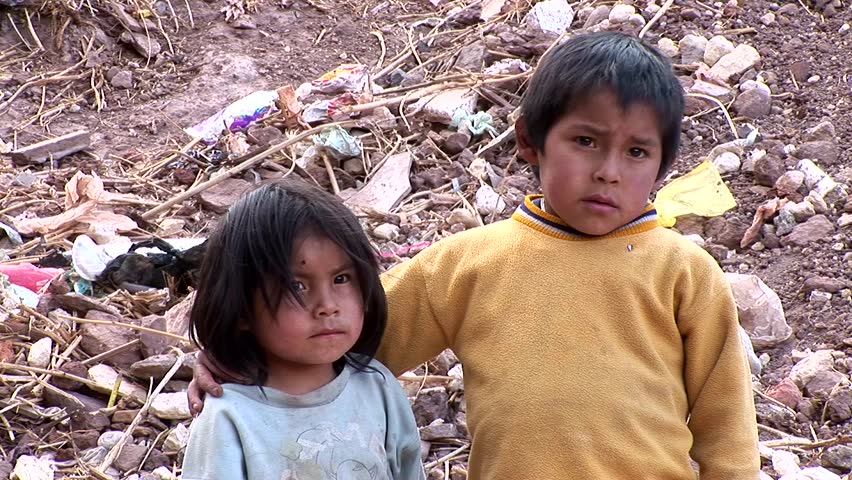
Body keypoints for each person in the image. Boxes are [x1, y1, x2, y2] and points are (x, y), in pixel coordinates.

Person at [190, 31, 760, 479]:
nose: (609, 170)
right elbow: (347, 332)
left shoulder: (683, 272)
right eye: (586, 141)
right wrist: (237, 359)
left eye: (637, 152)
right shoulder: (470, 264)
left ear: (661, 167)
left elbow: (724, 419)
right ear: (529, 142)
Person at [181, 180, 425, 480]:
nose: (327, 306)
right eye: (296, 285)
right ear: (241, 309)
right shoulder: (229, 418)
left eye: (341, 279)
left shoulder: (378, 388)